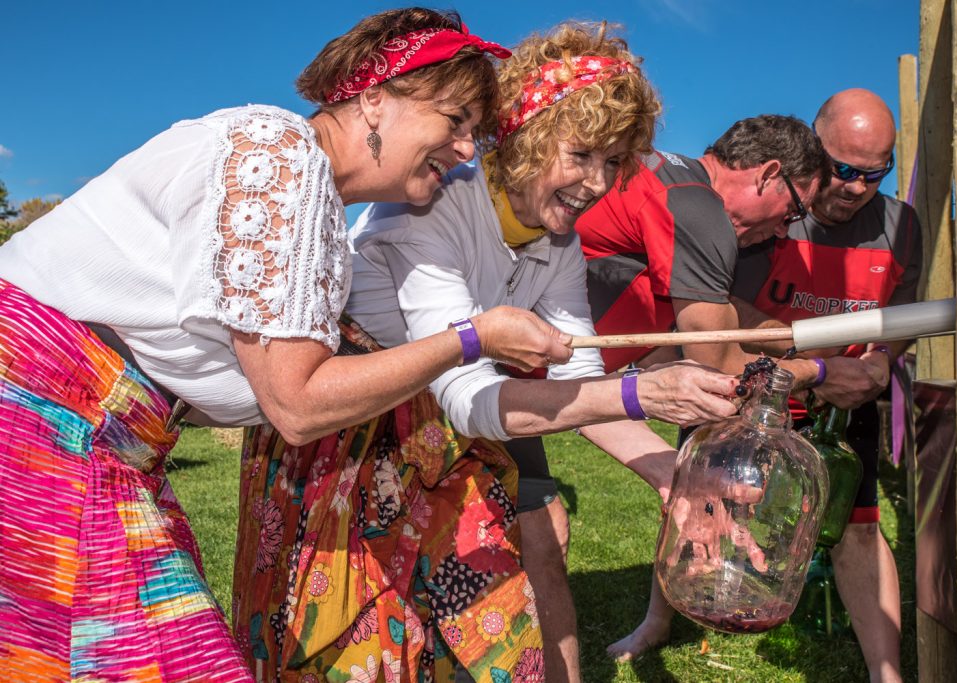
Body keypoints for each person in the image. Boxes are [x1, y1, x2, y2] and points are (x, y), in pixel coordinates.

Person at [0, 9, 573, 681]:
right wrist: (471, 337)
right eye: (456, 120)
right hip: (43, 421)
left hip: (95, 433)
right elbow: (296, 402)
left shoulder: (316, 202)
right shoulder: (281, 157)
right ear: (376, 97)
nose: (468, 150)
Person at [232, 21, 742, 683]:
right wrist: (645, 389)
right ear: (527, 133)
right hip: (341, 428)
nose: (597, 182)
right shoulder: (432, 205)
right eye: (583, 153)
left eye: (614, 162)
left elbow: (582, 387)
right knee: (345, 649)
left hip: (437, 432)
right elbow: (471, 398)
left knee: (492, 625)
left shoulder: (558, 244)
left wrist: (674, 478)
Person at [508, 114, 831, 662]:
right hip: (486, 377)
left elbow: (724, 317)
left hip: (539, 387)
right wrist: (817, 373)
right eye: (794, 210)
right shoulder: (698, 207)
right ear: (768, 173)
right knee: (528, 535)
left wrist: (794, 340)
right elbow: (719, 361)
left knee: (542, 533)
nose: (785, 230)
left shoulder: (679, 188)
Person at [731, 88, 921, 683]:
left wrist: (881, 363)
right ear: (814, 149)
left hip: (848, 401)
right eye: (842, 170)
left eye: (874, 174)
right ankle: (660, 620)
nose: (857, 188)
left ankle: (885, 673)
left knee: (859, 528)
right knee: (704, 502)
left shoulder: (900, 225)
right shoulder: (772, 212)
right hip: (754, 387)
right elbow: (724, 316)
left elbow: (906, 315)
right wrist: (804, 370)